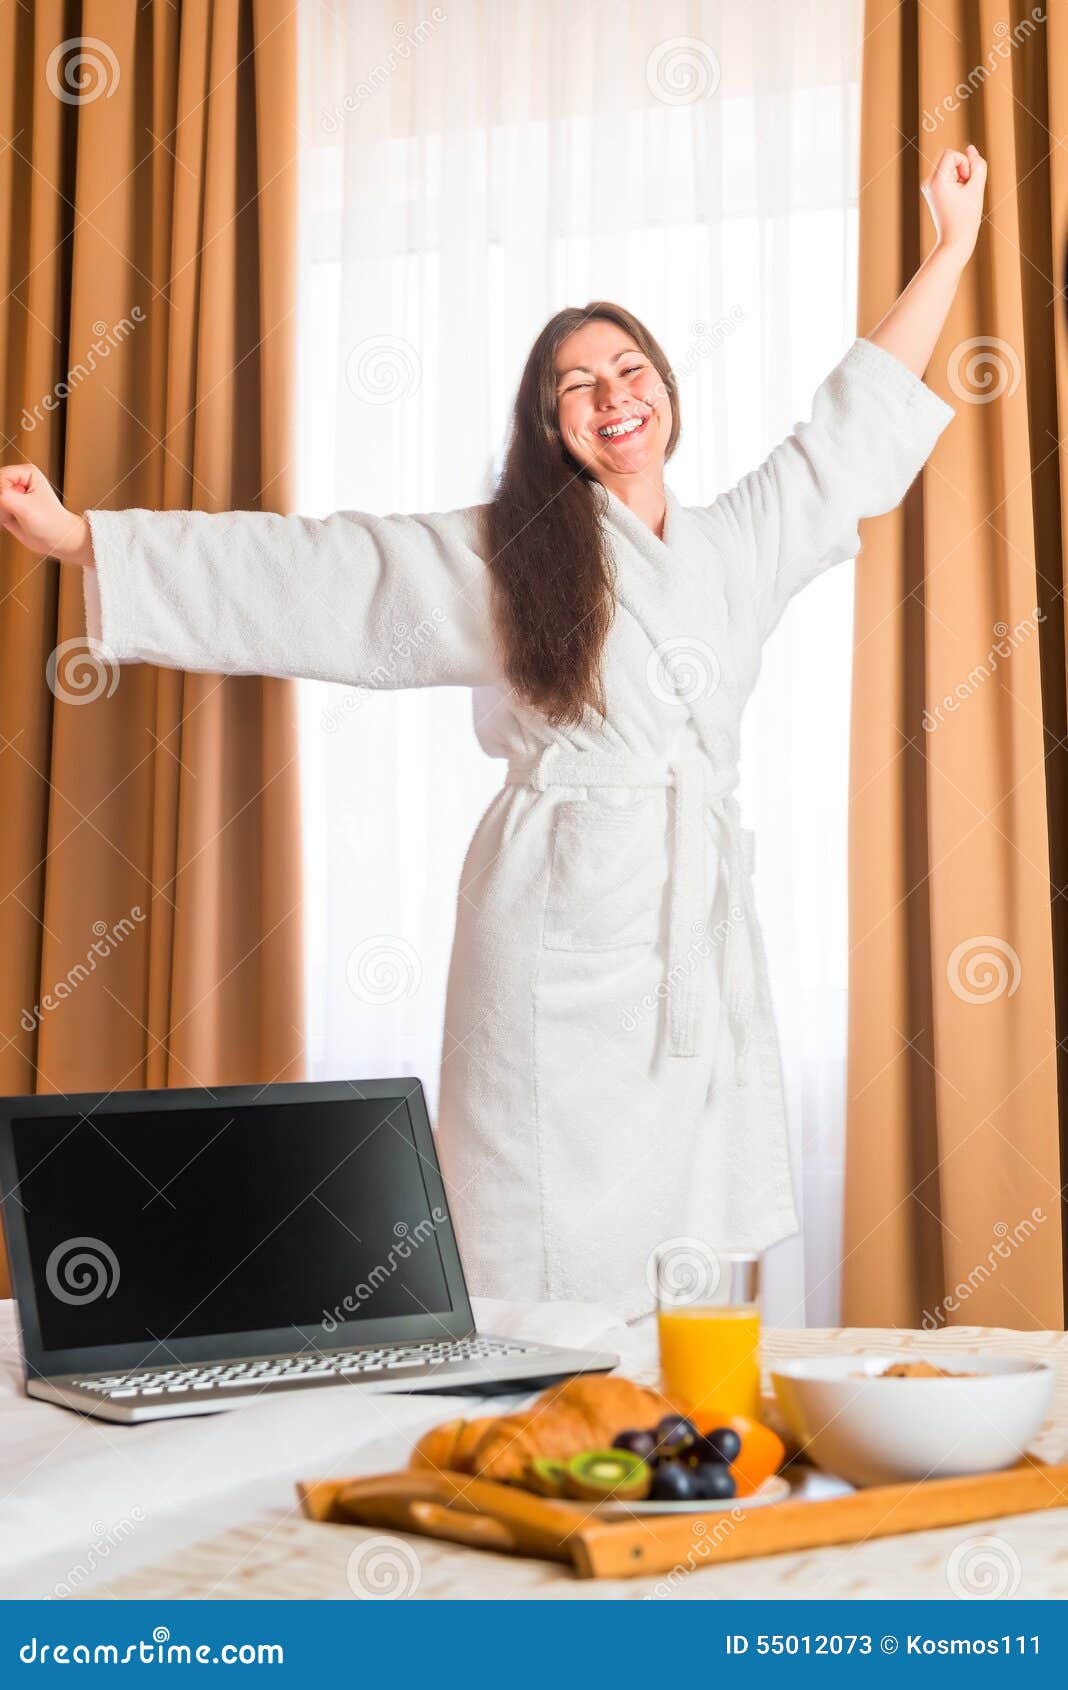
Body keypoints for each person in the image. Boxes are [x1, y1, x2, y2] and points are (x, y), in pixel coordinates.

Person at [0, 147, 986, 1321]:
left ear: (667, 388)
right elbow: (325, 573)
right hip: (553, 930)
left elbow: (851, 425)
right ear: (552, 425)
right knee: (535, 1240)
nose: (612, 392)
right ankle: (517, 1427)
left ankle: (645, 1451)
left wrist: (951, 252)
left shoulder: (741, 540)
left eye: (629, 366)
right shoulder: (519, 557)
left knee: (672, 1254)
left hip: (683, 932)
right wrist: (86, 541)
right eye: (577, 383)